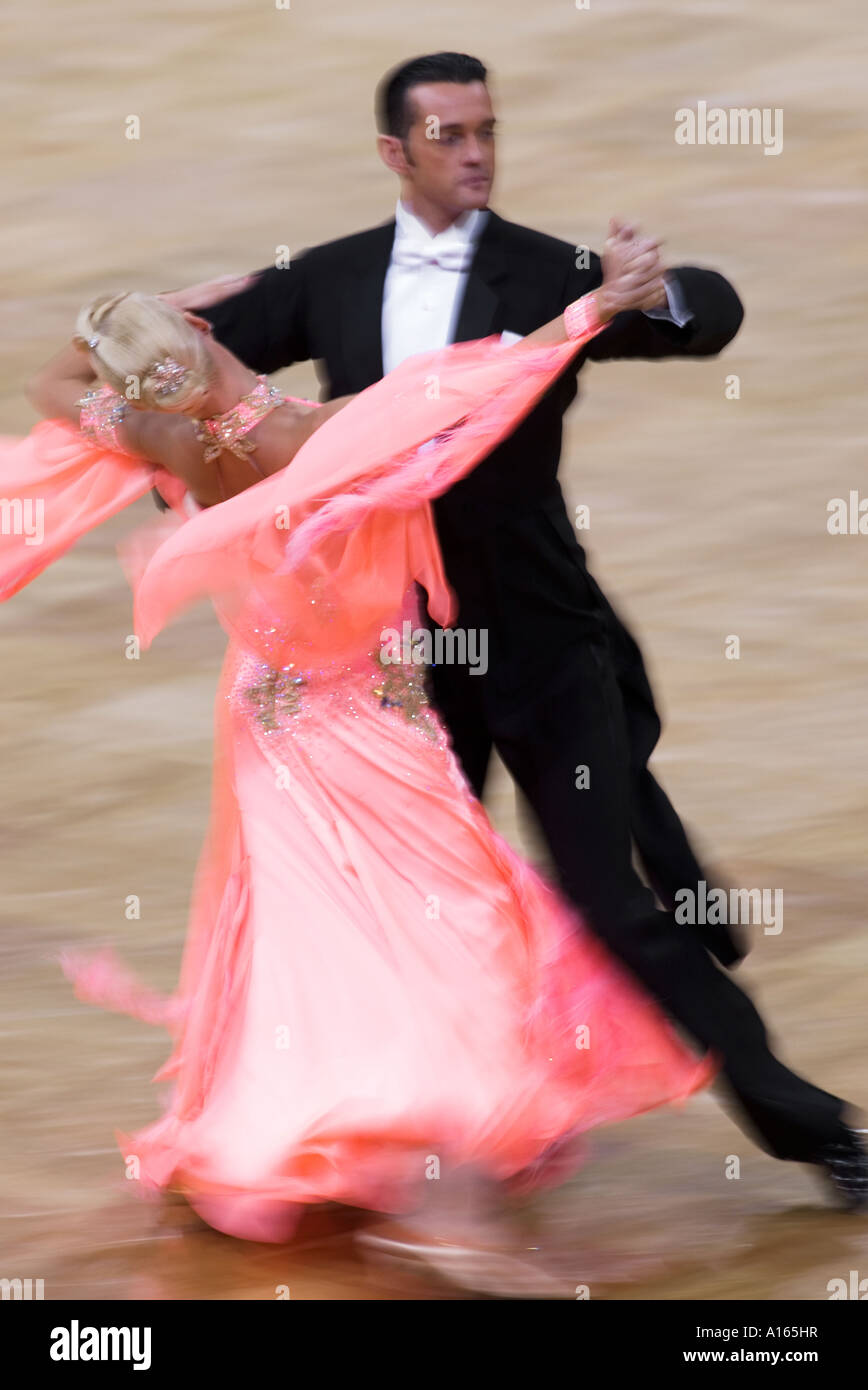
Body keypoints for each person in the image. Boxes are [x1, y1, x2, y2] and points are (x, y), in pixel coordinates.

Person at [180, 51, 866, 1203]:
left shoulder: (549, 271)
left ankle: (821, 1134)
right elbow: (185, 364)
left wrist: (668, 288)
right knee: (412, 911)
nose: (476, 152)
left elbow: (708, 315)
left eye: (485, 129)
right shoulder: (335, 278)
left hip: (545, 645)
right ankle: (398, 1141)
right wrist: (177, 322)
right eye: (447, 135)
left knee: (611, 908)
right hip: (397, 661)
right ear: (396, 155)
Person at [3, 238, 712, 1295]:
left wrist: (137, 323)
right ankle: (436, 1199)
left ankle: (325, 1147)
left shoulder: (157, 436)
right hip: (369, 726)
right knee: (450, 940)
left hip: (266, 725)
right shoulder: (319, 431)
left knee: (315, 948)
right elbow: (478, 385)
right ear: (203, 336)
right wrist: (588, 313)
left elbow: (50, 382)